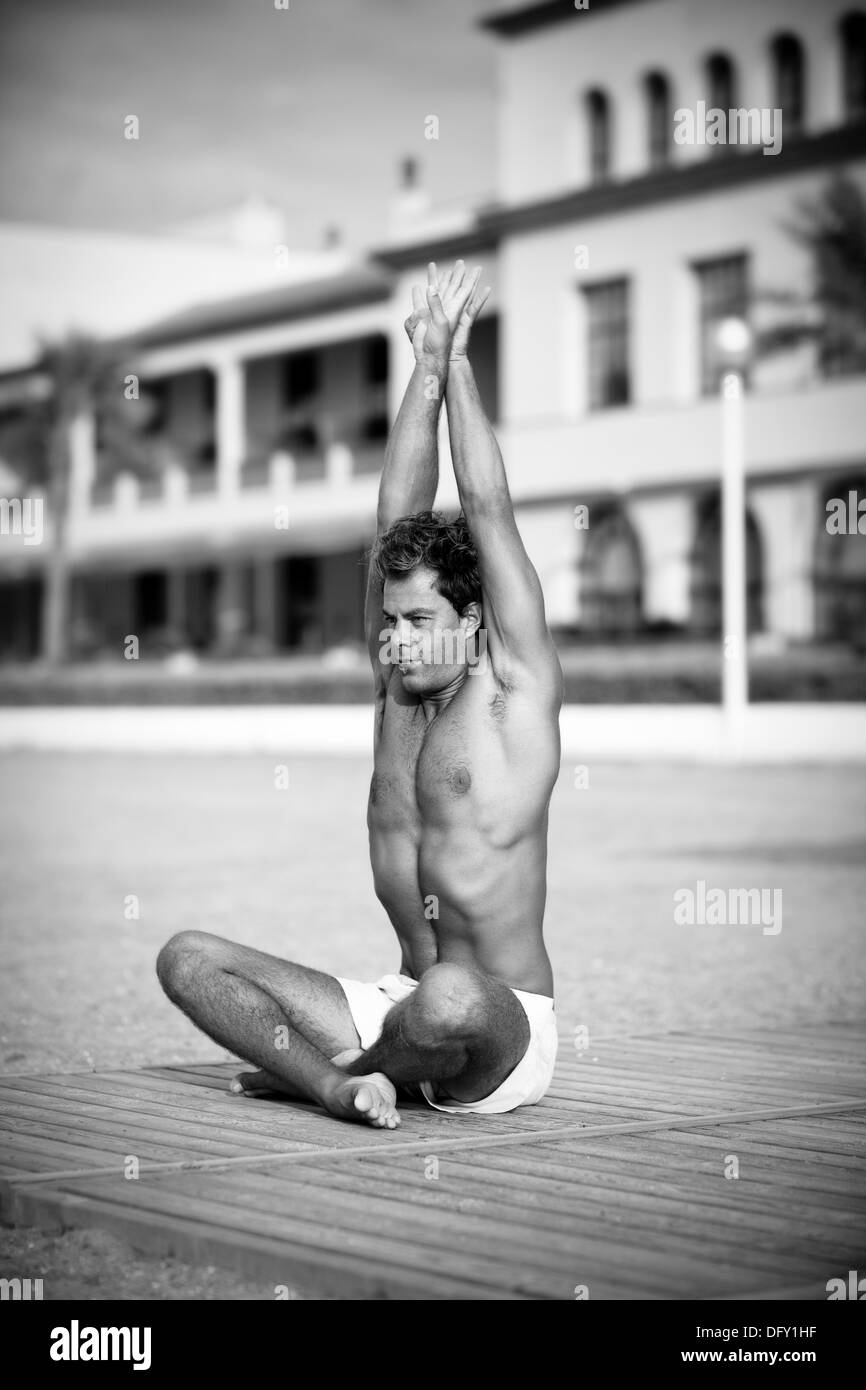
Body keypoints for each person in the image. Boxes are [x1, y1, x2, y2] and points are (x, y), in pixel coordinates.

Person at [156, 261, 563, 1129]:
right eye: (392, 619)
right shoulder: (394, 690)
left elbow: (487, 508)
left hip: (500, 1030)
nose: (397, 637)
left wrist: (456, 363)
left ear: (474, 617)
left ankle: (323, 1072)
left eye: (421, 621)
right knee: (187, 958)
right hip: (395, 1000)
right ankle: (346, 1081)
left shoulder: (511, 689)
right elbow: (394, 517)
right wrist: (419, 364)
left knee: (452, 995)